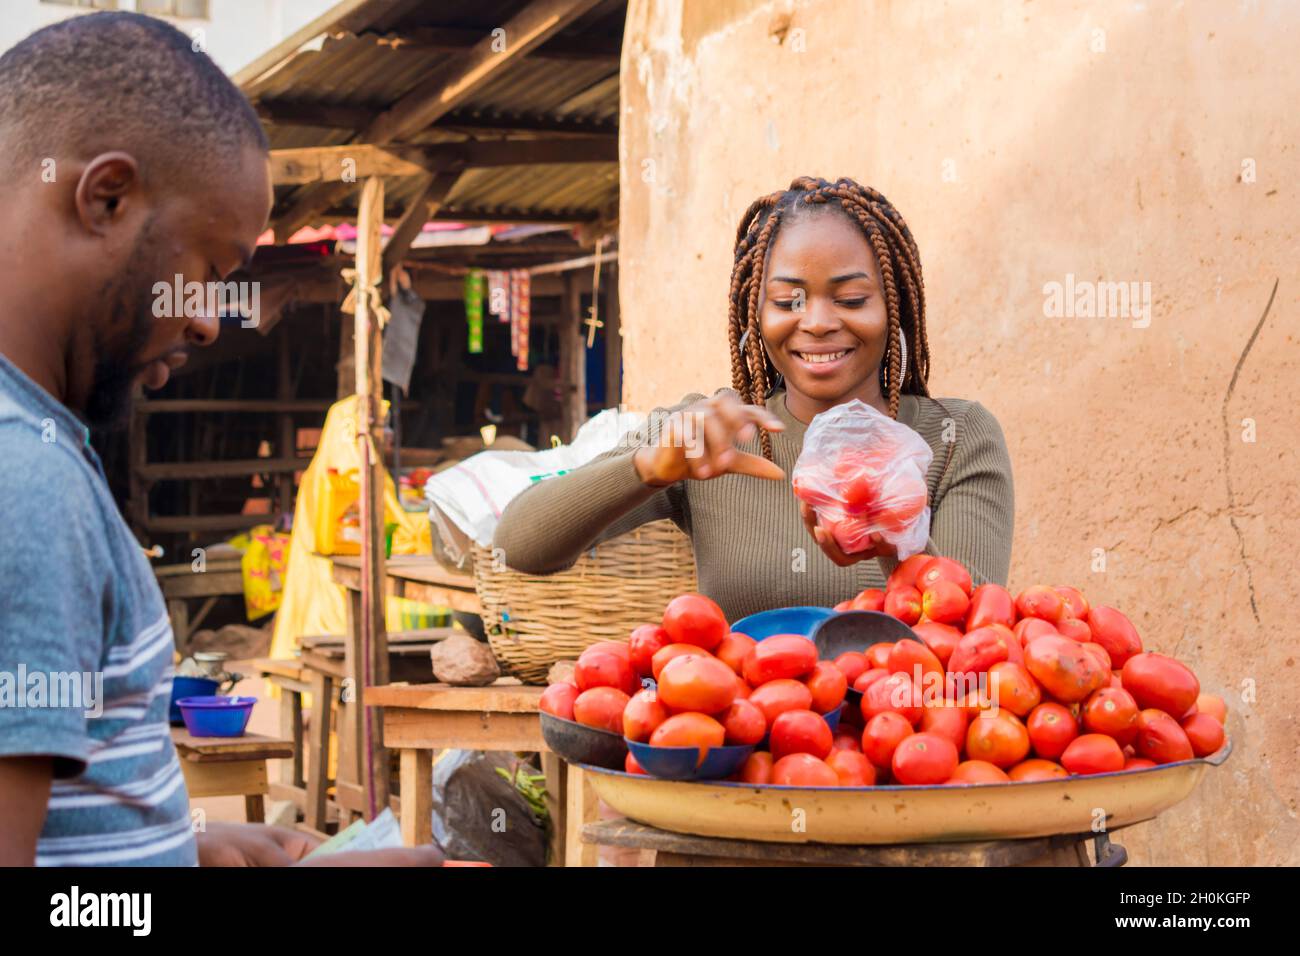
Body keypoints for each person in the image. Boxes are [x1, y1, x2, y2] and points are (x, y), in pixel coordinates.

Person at [0, 12, 440, 867]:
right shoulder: (27, 484)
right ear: (107, 198)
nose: (208, 322)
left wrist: (181, 849)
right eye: (210, 270)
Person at [495, 176, 1014, 622]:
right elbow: (517, 547)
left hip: (897, 734)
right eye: (788, 300)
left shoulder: (956, 437)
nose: (816, 322)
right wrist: (645, 468)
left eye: (851, 299)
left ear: (894, 306)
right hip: (744, 735)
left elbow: (973, 637)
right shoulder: (709, 433)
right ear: (754, 314)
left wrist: (894, 544)